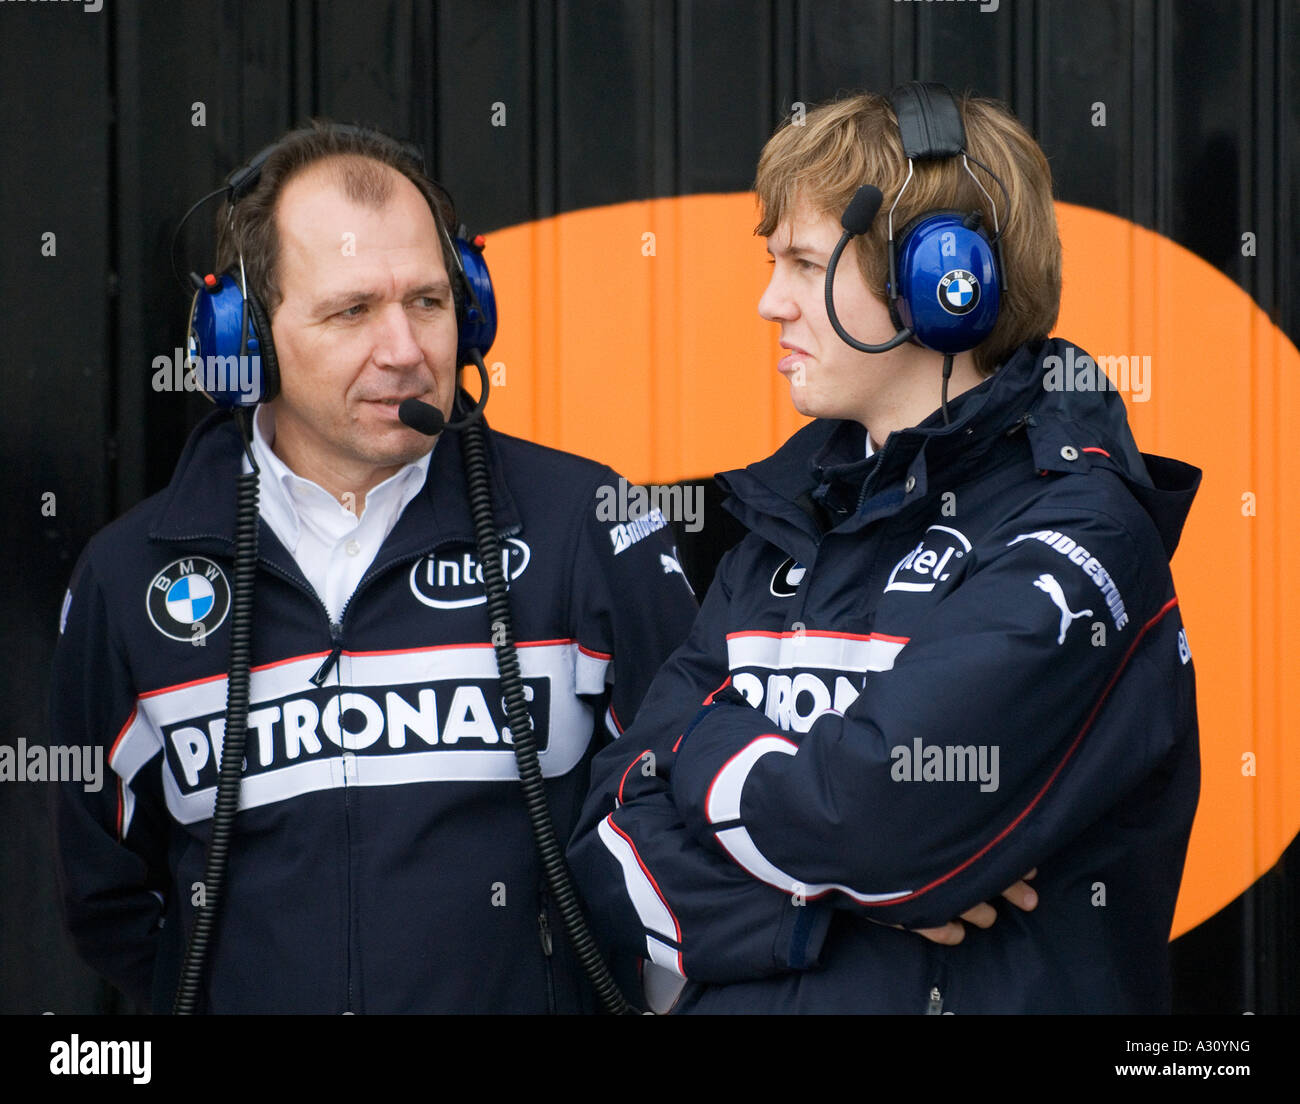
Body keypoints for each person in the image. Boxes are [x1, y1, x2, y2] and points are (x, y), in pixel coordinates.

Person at [566, 85, 1202, 1013]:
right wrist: (815, 919)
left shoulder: (1080, 535)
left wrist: (700, 743)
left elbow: (872, 823)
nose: (769, 302)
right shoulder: (785, 519)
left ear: (946, 282)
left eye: (803, 262)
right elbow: (611, 846)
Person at [49, 121, 699, 1013]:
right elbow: (109, 900)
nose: (405, 350)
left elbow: (684, 820)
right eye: (351, 311)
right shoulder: (129, 578)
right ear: (245, 338)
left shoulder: (588, 524)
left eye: (427, 302)